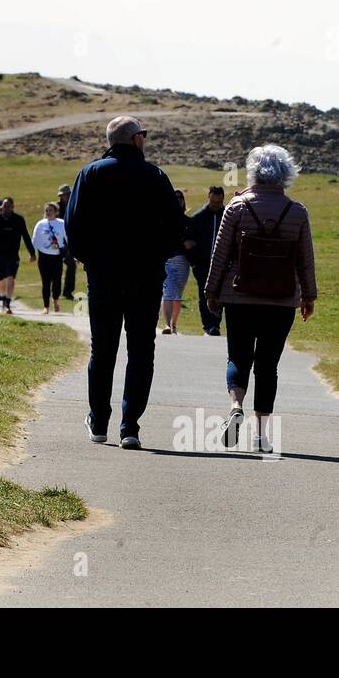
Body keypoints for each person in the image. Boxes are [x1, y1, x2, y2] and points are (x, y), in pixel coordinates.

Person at [65, 116, 182, 450]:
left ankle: (99, 420)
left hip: (103, 276)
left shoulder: (90, 174)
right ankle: (130, 426)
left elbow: (73, 225)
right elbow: (176, 227)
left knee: (102, 349)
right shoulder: (155, 176)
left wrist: (89, 259)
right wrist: (158, 257)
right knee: (141, 350)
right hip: (145, 278)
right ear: (135, 139)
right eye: (144, 134)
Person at [205, 144, 317, 454]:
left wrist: (211, 292)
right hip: (281, 300)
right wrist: (308, 296)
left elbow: (220, 254)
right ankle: (261, 435)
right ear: (287, 174)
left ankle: (235, 406)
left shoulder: (236, 207)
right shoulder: (297, 212)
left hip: (239, 297)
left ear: (253, 171)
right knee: (268, 365)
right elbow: (305, 260)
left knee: (238, 357)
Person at [186, 186, 226, 335]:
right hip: (202, 264)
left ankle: (216, 323)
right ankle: (208, 324)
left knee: (219, 295)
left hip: (221, 265)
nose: (216, 205)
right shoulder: (198, 218)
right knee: (204, 294)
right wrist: (194, 262)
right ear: (209, 198)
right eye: (214, 202)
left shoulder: (227, 216)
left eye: (219, 202)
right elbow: (188, 242)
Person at [0, 196, 35, 314]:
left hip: (13, 254)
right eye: (4, 206)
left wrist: (32, 252)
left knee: (11, 277)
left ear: (12, 207)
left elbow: (26, 236)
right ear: (1, 207)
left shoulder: (18, 219)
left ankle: (7, 302)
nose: (6, 208)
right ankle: (3, 297)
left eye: (9, 206)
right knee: (1, 279)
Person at [160, 189, 190, 334]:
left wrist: (190, 243)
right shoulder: (163, 220)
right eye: (175, 198)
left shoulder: (188, 221)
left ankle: (173, 324)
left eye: (180, 198)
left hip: (183, 260)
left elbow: (194, 238)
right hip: (167, 260)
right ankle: (167, 325)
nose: (178, 200)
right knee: (168, 291)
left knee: (177, 293)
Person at [32, 201, 68, 314]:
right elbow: (35, 239)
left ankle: (55, 299)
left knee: (57, 281)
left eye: (50, 210)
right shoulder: (40, 224)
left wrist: (72, 253)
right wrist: (32, 254)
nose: (48, 212)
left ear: (56, 212)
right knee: (46, 282)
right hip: (44, 256)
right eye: (46, 210)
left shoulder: (61, 223)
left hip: (57, 256)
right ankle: (46, 307)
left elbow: (67, 237)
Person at [57, 184, 77, 300]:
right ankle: (55, 291)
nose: (63, 197)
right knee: (56, 268)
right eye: (61, 195)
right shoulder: (56, 207)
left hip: (69, 241)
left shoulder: (74, 205)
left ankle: (68, 291)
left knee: (71, 266)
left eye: (64, 194)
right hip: (57, 242)